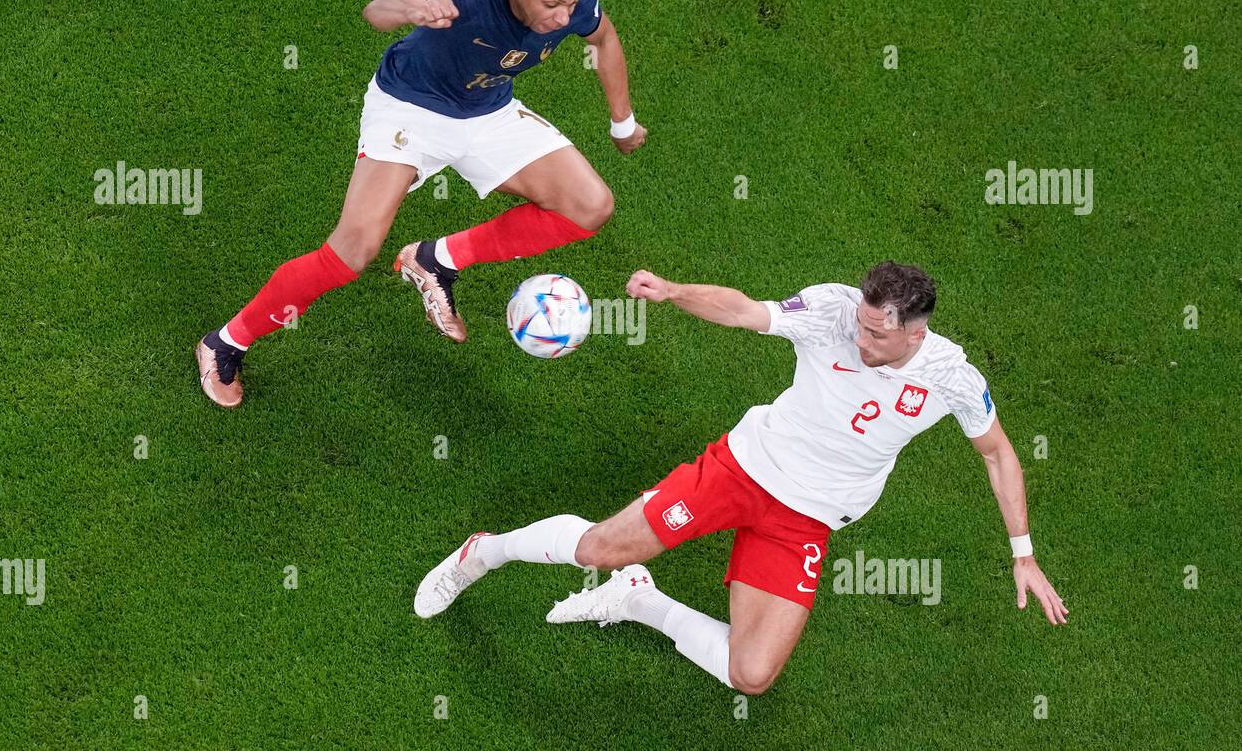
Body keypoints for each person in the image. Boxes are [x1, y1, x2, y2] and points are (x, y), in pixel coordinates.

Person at [414, 262, 1068, 695]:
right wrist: (674, 293)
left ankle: (638, 600)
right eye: (861, 325)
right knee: (597, 549)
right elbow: (745, 312)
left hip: (808, 518)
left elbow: (998, 454)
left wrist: (1023, 554)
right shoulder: (832, 311)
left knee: (751, 675)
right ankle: (484, 553)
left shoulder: (952, 377)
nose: (861, 340)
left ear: (915, 331)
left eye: (877, 335)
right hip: (745, 469)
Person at [195, 0, 645, 407]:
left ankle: (435, 260)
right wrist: (412, 9)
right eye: (552, 3)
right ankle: (225, 342)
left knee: (590, 206)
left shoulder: (574, 4)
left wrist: (623, 122)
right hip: (412, 109)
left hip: (487, 111)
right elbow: (377, 10)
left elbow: (603, 36)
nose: (563, 17)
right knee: (352, 251)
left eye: (570, 4)